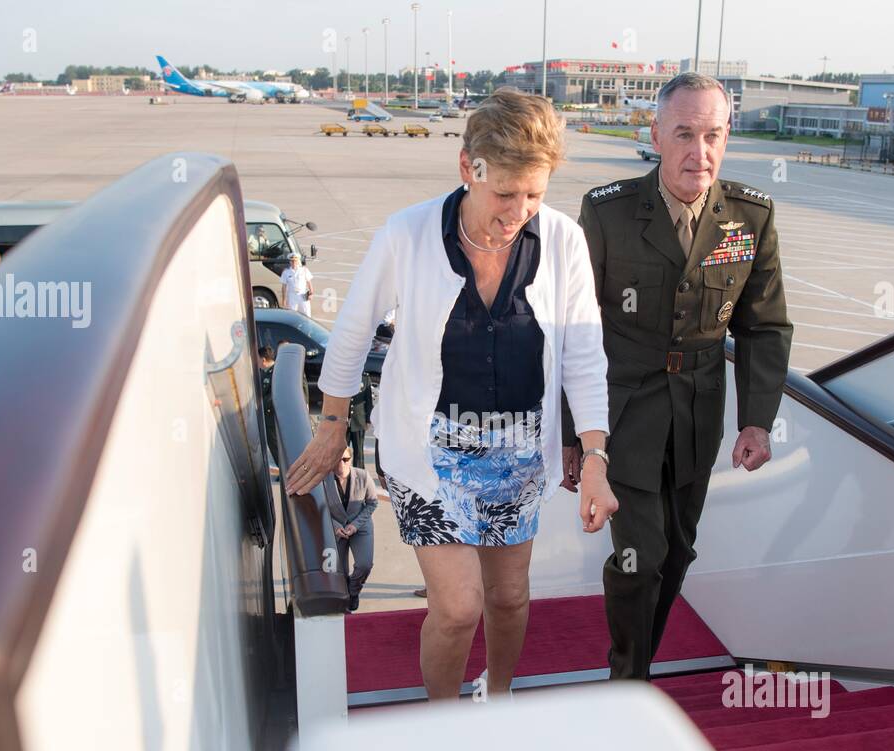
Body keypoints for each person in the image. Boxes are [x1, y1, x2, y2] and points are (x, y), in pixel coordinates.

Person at [287, 88, 616, 701]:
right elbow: (352, 332)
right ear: (469, 168)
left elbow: (583, 356)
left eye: (535, 194)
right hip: (429, 457)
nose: (520, 210)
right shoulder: (406, 235)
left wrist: (594, 457)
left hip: (518, 456)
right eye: (505, 193)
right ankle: (440, 723)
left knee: (510, 597)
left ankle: (499, 692)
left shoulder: (564, 241)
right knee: (460, 608)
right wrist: (333, 425)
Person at [561, 72, 793, 680]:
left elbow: (765, 326)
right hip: (624, 412)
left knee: (679, 552)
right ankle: (627, 679)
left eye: (713, 135)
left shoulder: (749, 218)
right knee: (640, 557)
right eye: (685, 134)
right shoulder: (607, 211)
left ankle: (639, 664)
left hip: (698, 411)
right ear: (656, 134)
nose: (700, 151)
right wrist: (571, 437)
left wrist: (756, 421)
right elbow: (576, 329)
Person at [324, 447, 378, 612]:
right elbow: (319, 507)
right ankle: (342, 602)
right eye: (338, 459)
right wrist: (334, 526)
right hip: (335, 528)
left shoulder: (363, 476)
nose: (342, 463)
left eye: (345, 459)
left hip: (360, 526)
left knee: (364, 565)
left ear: (351, 459)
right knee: (337, 570)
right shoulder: (322, 480)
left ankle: (353, 591)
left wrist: (355, 525)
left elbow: (372, 503)